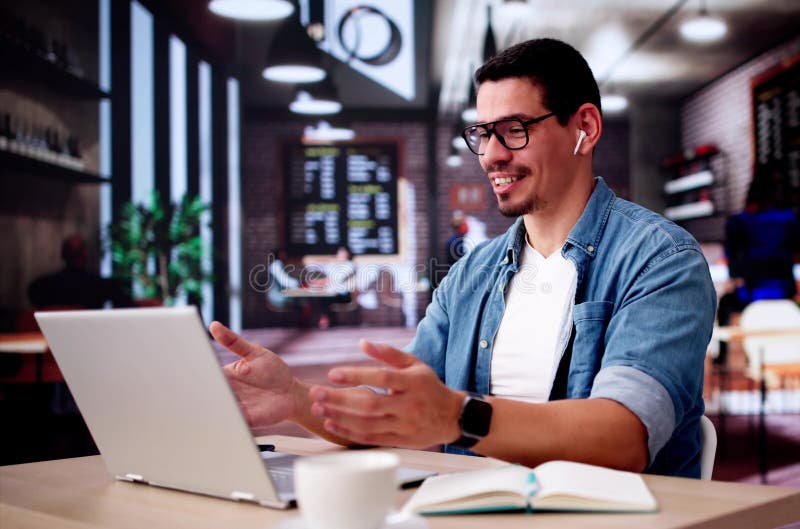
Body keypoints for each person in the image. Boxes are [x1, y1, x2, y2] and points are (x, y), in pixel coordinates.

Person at [211, 39, 716, 478]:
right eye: (483, 133)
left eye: (515, 129)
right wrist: (296, 399)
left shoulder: (659, 258)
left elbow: (623, 436)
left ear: (584, 127)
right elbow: (398, 414)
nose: (492, 155)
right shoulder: (471, 274)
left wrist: (458, 415)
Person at [28, 234, 131, 309]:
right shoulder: (101, 285)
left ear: (62, 255)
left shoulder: (41, 286)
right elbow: (128, 307)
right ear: (85, 254)